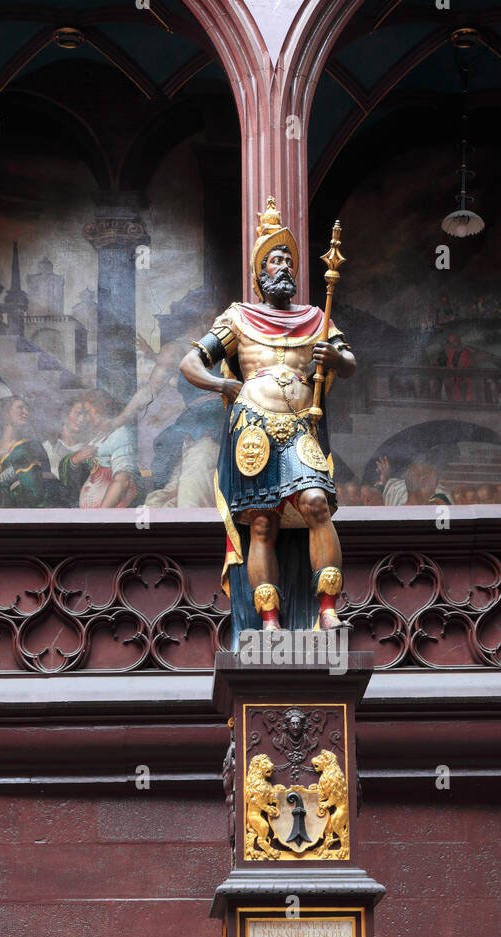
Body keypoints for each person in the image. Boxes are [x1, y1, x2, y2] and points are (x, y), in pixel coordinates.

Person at [179, 195, 356, 637]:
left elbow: (350, 363)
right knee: (262, 521)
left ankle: (328, 609)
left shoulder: (317, 318)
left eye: (287, 261)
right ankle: (270, 620)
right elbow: (190, 363)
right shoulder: (238, 318)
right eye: (274, 261)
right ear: (260, 275)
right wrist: (224, 385)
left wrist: (332, 355)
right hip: (253, 427)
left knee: (316, 503)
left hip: (299, 427)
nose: (283, 268)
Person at [70, 390, 142, 508]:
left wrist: (103, 514)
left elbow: (122, 481)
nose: (85, 418)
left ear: (101, 408)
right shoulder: (94, 435)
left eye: (88, 412)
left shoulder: (119, 434)